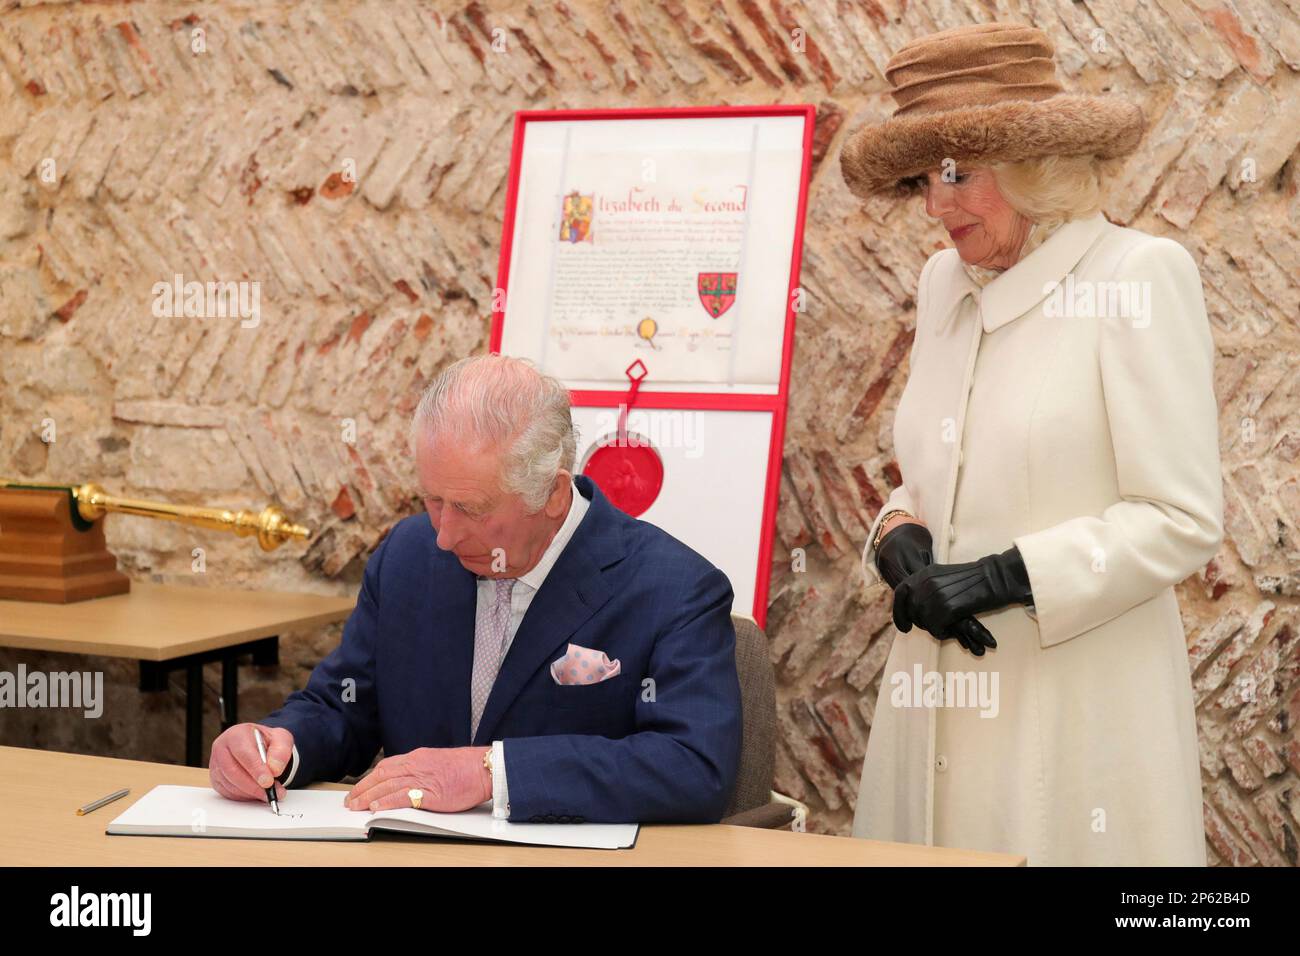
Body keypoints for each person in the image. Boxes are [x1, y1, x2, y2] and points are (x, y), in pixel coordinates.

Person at [840, 22, 1223, 864]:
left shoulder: (1137, 277)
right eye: (925, 179)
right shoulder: (944, 281)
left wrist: (1003, 577)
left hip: (1070, 718)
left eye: (958, 175)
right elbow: (939, 470)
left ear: (1031, 164)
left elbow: (1182, 516)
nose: (937, 208)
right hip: (932, 700)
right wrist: (898, 534)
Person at [209, 354, 741, 824]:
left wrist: (493, 773)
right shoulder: (408, 557)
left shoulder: (674, 589)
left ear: (553, 494)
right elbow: (344, 704)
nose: (443, 535)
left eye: (470, 508)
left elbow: (693, 765)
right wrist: (278, 746)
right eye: (433, 500)